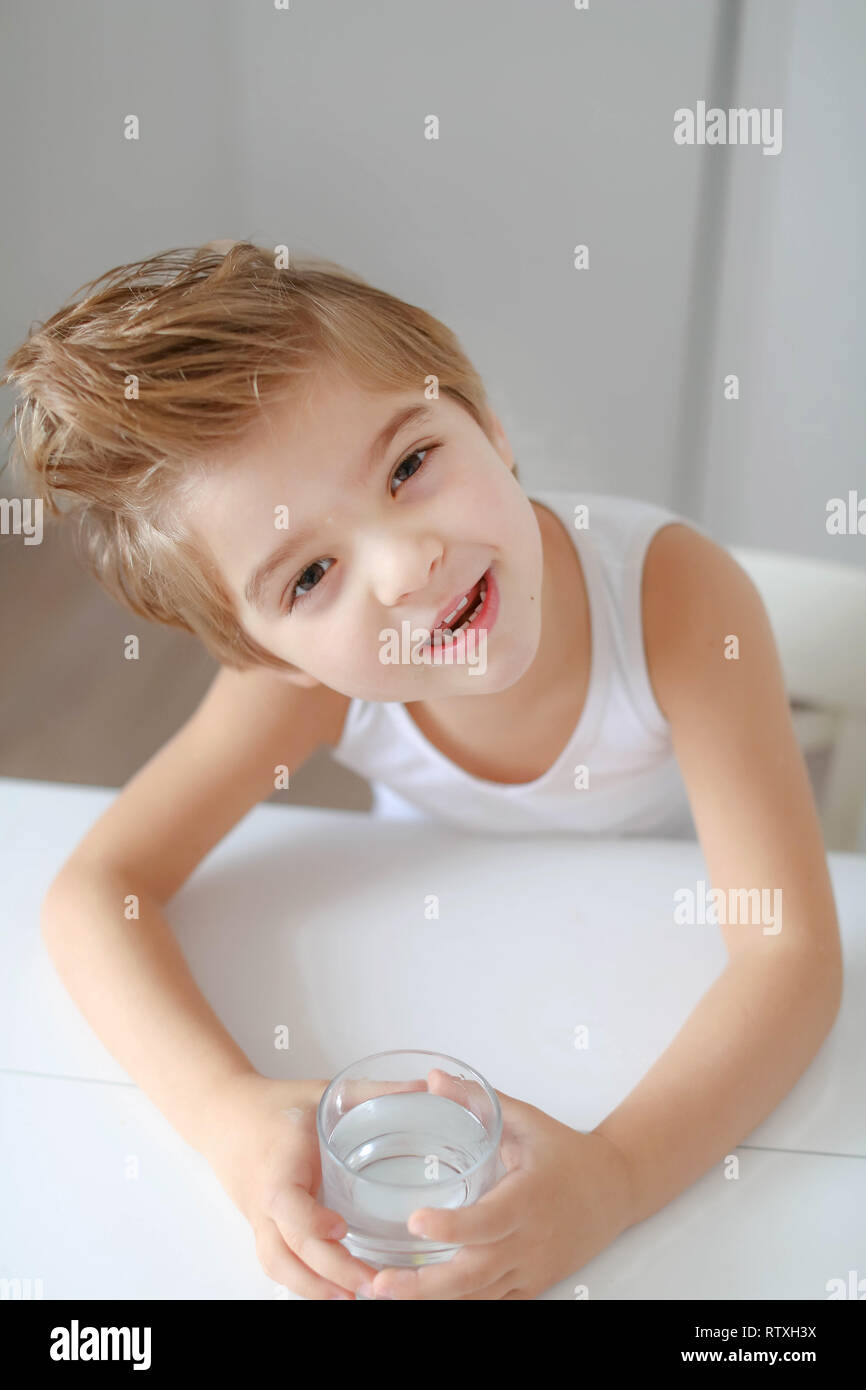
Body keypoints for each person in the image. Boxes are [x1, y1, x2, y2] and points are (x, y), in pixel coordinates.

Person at [1, 242, 842, 1300]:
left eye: (407, 465)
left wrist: (615, 1177)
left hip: (657, 951)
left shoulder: (677, 599)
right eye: (311, 574)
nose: (406, 567)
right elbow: (94, 890)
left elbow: (789, 952)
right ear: (267, 654)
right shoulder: (303, 683)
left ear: (485, 422)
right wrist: (223, 1112)